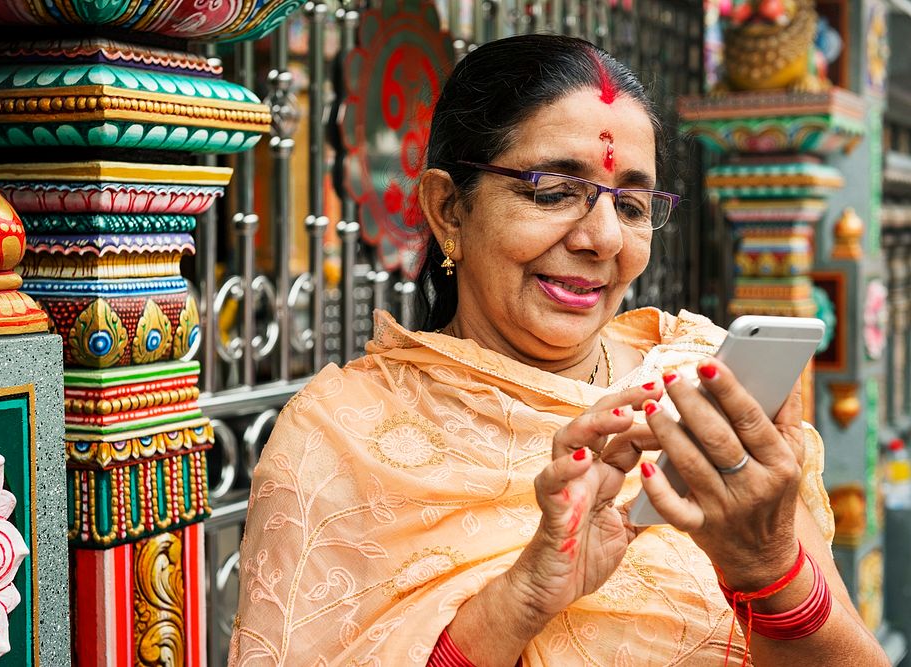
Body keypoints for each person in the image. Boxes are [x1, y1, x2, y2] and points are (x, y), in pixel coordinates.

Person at [227, 34, 888, 666]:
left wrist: (771, 572)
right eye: (552, 190)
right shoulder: (342, 434)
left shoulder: (704, 382)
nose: (603, 238)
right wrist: (523, 597)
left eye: (631, 205)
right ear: (449, 210)